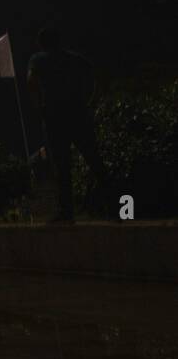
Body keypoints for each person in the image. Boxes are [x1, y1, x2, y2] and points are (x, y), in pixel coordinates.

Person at [27, 26, 112, 222]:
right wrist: (91, 99)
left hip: (54, 116)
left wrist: (39, 107)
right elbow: (96, 76)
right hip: (78, 113)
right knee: (94, 159)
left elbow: (31, 81)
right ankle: (114, 206)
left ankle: (67, 212)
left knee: (62, 165)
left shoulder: (38, 59)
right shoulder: (74, 58)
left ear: (41, 43)